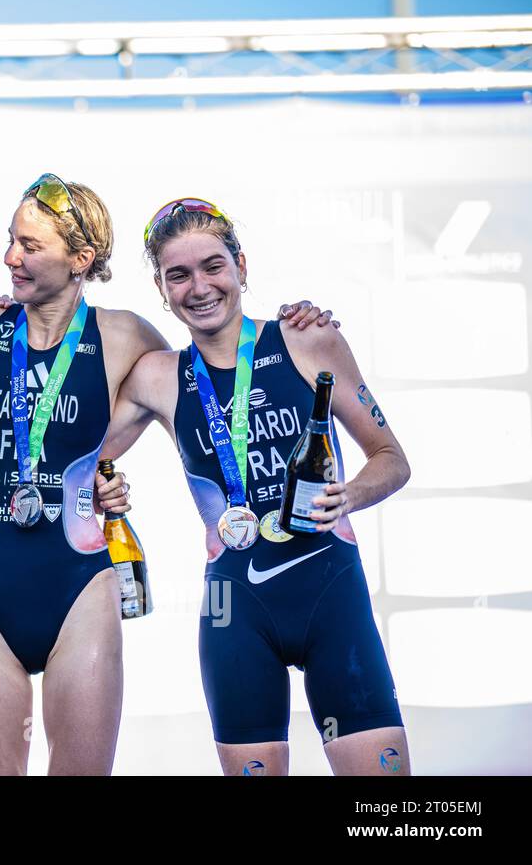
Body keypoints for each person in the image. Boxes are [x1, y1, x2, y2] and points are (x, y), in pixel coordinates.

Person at [0, 155, 331, 775]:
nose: (9, 259)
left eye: (28, 245)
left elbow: (209, 382)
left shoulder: (126, 334)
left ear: (80, 259)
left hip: (82, 586)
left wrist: (297, 330)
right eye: (9, 243)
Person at [102, 197, 411, 775]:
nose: (200, 287)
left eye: (213, 266)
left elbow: (391, 458)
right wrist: (103, 489)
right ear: (162, 289)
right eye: (179, 274)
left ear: (241, 267)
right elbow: (73, 459)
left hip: (331, 593)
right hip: (236, 609)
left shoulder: (306, 340)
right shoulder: (158, 375)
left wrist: (351, 494)